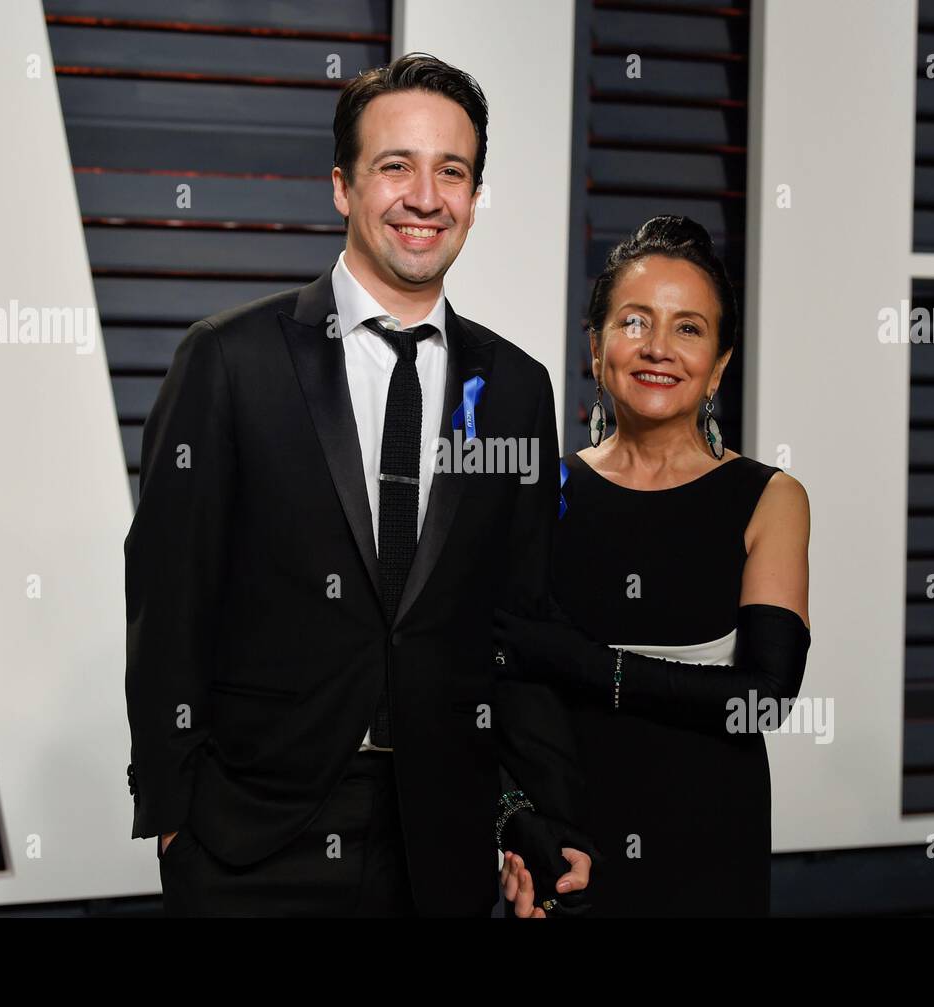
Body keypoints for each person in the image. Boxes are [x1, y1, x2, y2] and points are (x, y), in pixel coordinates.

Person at [124, 53, 594, 917]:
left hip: (442, 837)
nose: (425, 196)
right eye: (396, 166)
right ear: (342, 187)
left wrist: (535, 810)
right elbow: (169, 594)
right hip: (250, 836)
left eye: (451, 171)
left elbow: (522, 619)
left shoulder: (519, 387)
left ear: (473, 195)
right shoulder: (230, 360)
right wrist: (172, 813)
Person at [495, 215, 811, 917]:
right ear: (596, 345)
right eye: (634, 322)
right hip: (568, 850)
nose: (658, 348)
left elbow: (764, 694)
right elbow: (493, 684)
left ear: (720, 364)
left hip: (708, 846)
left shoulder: (770, 498)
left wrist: (586, 664)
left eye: (689, 328)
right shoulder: (540, 492)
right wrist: (518, 825)